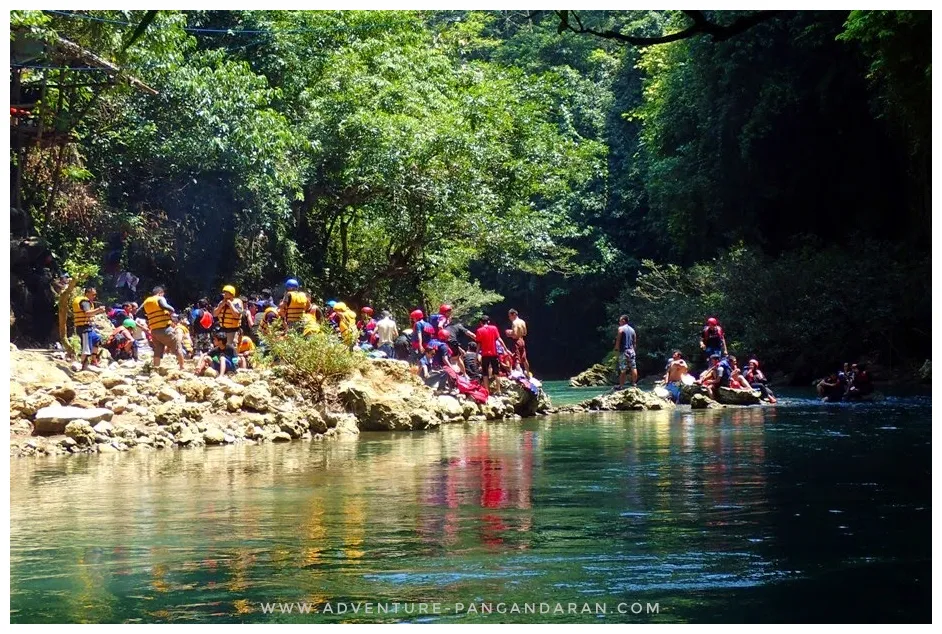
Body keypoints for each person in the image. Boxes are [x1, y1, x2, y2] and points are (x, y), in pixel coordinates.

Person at [140, 286, 185, 370]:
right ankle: (182, 367)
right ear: (160, 293)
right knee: (177, 347)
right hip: (165, 329)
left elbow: (140, 312)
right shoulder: (160, 298)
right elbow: (165, 306)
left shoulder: (146, 301)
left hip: (154, 331)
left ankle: (156, 368)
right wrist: (172, 310)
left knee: (158, 349)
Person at [71, 286, 107, 370]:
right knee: (86, 348)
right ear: (87, 294)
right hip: (84, 328)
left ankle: (94, 360)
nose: (94, 296)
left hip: (88, 327)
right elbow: (87, 313)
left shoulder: (87, 302)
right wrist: (99, 309)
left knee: (97, 339)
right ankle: (83, 366)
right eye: (93, 294)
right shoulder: (85, 302)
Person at [476, 315, 503, 395]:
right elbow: (499, 339)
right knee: (496, 372)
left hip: (485, 354)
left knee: (485, 373)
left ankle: (487, 391)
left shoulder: (479, 330)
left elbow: (479, 344)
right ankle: (498, 390)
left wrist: (476, 355)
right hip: (494, 354)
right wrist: (505, 349)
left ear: (481, 322)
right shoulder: (494, 328)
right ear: (488, 321)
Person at [613, 314, 637, 389]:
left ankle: (621, 386)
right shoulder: (632, 330)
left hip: (624, 351)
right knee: (633, 367)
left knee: (623, 369)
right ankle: (634, 384)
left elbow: (618, 339)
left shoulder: (621, 328)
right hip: (632, 351)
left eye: (620, 321)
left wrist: (616, 348)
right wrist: (634, 350)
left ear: (623, 321)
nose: (619, 322)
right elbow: (634, 342)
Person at [505, 308, 530, 375]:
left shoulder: (514, 322)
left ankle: (519, 375)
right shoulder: (522, 321)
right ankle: (528, 374)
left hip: (516, 341)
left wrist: (509, 333)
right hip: (522, 340)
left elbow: (515, 335)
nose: (509, 318)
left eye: (510, 316)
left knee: (516, 360)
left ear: (514, 315)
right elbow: (525, 333)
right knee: (524, 359)